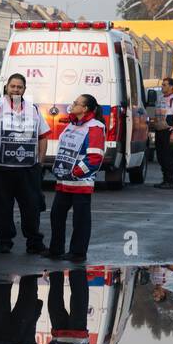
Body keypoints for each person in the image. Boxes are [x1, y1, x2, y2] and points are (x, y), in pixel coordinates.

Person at [0, 73, 47, 254]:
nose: (16, 89)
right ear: (6, 87)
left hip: (28, 170)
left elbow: (43, 135)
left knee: (32, 207)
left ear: (24, 89)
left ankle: (34, 242)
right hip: (1, 169)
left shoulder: (32, 108)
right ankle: (4, 241)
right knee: (2, 207)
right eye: (13, 86)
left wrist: (41, 161)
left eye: (19, 87)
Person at [45, 94, 105, 264]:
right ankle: (56, 249)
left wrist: (76, 172)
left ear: (85, 108)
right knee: (56, 215)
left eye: (76, 103)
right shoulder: (71, 124)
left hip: (81, 183)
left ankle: (78, 253)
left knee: (80, 220)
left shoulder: (95, 127)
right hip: (64, 181)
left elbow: (95, 158)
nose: (72, 105)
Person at [154, 76, 173, 190]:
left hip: (168, 132)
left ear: (171, 86)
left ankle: (171, 181)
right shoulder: (160, 98)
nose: (162, 87)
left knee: (169, 157)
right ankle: (165, 180)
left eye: (164, 85)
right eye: (162, 84)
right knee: (161, 157)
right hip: (160, 131)